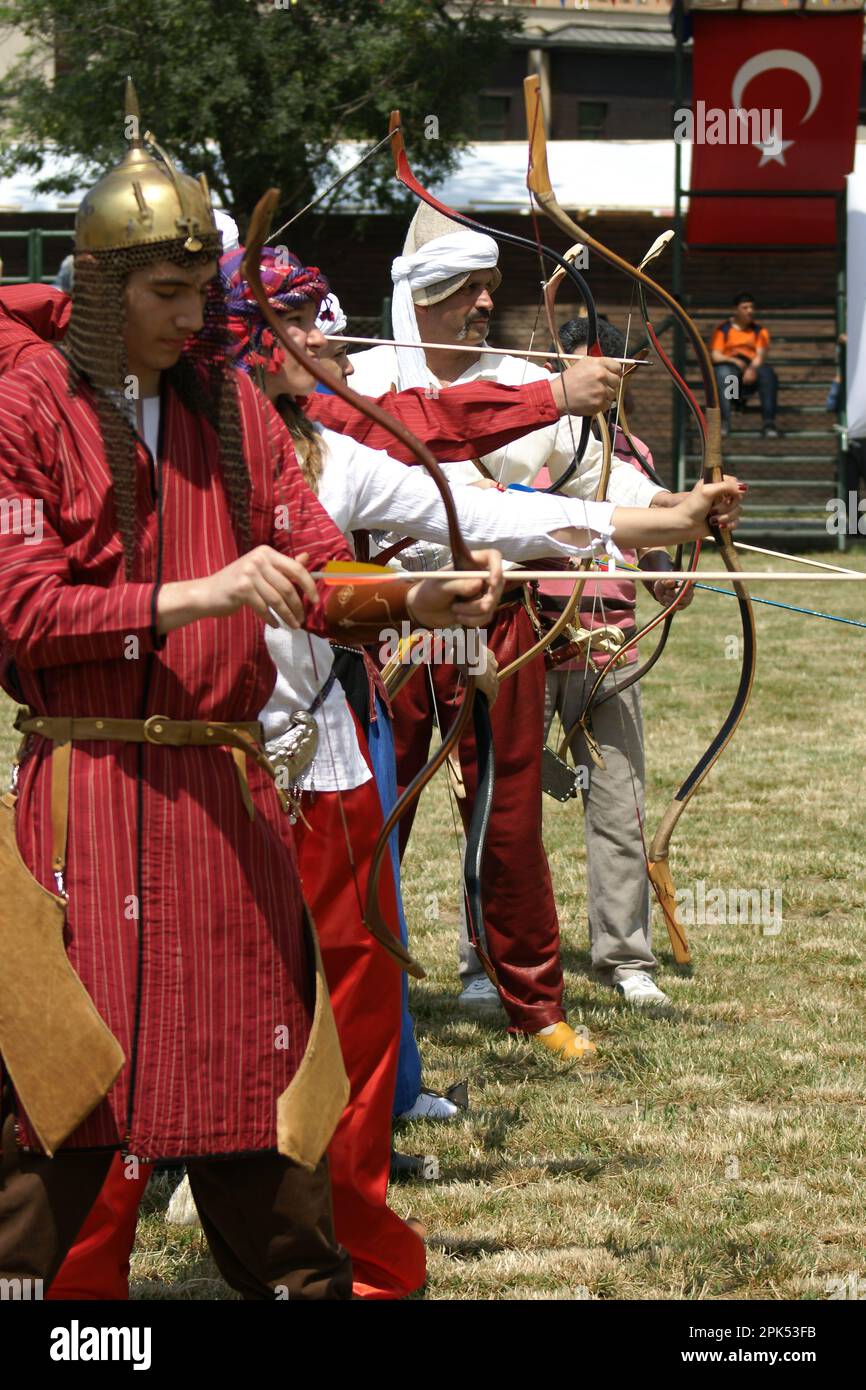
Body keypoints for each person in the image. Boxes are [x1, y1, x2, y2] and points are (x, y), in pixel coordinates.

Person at [0, 85, 502, 1298]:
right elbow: (19, 610)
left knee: (256, 1067)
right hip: (89, 789)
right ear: (104, 288)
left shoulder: (230, 407)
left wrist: (407, 601)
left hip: (220, 800)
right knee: (63, 1091)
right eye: (166, 294)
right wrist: (202, 592)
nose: (192, 315)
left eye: (198, 291)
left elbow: (315, 562)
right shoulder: (27, 404)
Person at [349, 203, 742, 1059]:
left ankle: (532, 1000)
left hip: (502, 628)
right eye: (463, 288)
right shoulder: (370, 385)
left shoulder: (519, 377)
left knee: (513, 812)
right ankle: (361, 1002)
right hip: (396, 626)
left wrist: (678, 508)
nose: (485, 302)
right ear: (418, 295)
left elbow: (595, 477)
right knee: (377, 815)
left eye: (491, 287)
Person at [538, 317, 698, 1008]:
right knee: (502, 810)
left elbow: (655, 547)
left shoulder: (632, 452)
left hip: (613, 647)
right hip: (532, 640)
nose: (605, 382)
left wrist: (667, 579)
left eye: (616, 371)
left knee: (619, 808)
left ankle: (627, 960)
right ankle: (484, 963)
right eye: (590, 369)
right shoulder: (524, 447)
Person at [711, 291, 781, 438]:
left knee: (768, 374)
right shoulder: (723, 329)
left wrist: (752, 368)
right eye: (745, 307)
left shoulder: (759, 331)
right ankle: (726, 419)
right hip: (730, 366)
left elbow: (761, 354)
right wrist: (735, 361)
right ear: (735, 309)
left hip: (751, 367)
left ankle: (769, 422)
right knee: (725, 373)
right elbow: (716, 355)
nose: (750, 311)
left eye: (751, 307)